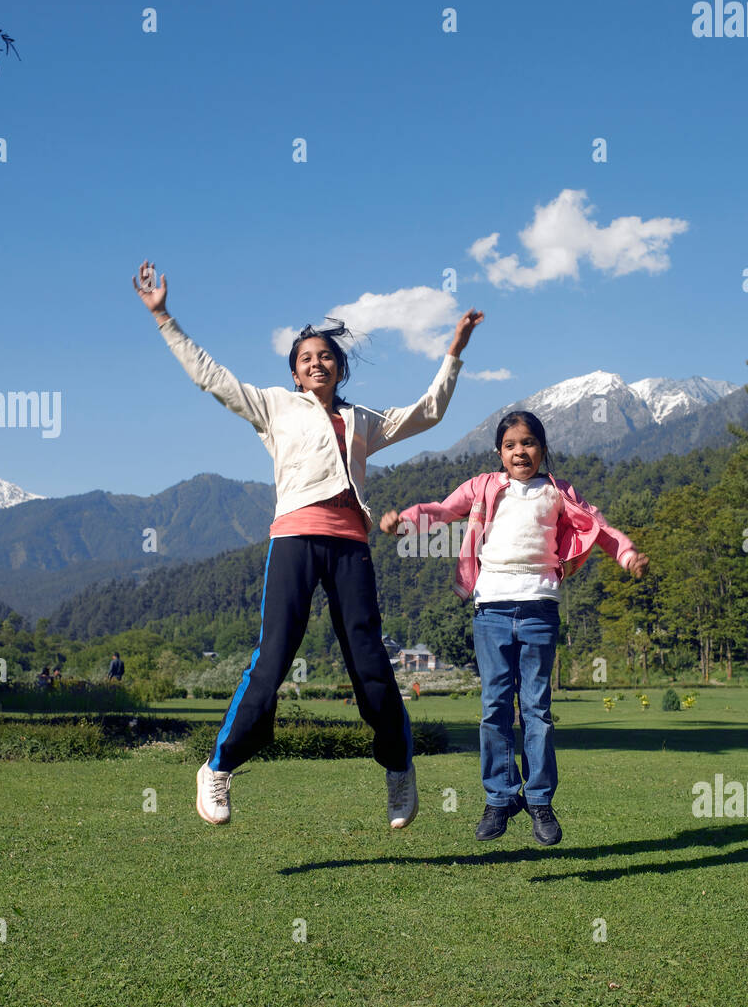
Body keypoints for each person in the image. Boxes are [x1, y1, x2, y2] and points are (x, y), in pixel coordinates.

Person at [133, 259, 483, 829]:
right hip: (295, 539)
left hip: (350, 547)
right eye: (305, 358)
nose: (315, 363)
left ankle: (398, 765)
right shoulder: (273, 406)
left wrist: (454, 351)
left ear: (339, 368)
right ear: (295, 374)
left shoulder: (362, 420)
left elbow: (429, 413)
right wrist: (164, 317)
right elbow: (211, 376)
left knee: (370, 662)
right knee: (271, 662)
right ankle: (219, 766)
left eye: (325, 356)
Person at [381, 411, 649, 846]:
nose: (519, 451)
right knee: (494, 707)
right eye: (510, 445)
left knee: (537, 708)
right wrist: (407, 520)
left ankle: (540, 800)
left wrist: (628, 555)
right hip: (491, 609)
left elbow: (599, 529)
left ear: (542, 449)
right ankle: (500, 799)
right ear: (499, 453)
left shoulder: (559, 492)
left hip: (540, 607)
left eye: (528, 443)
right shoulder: (483, 486)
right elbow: (444, 511)